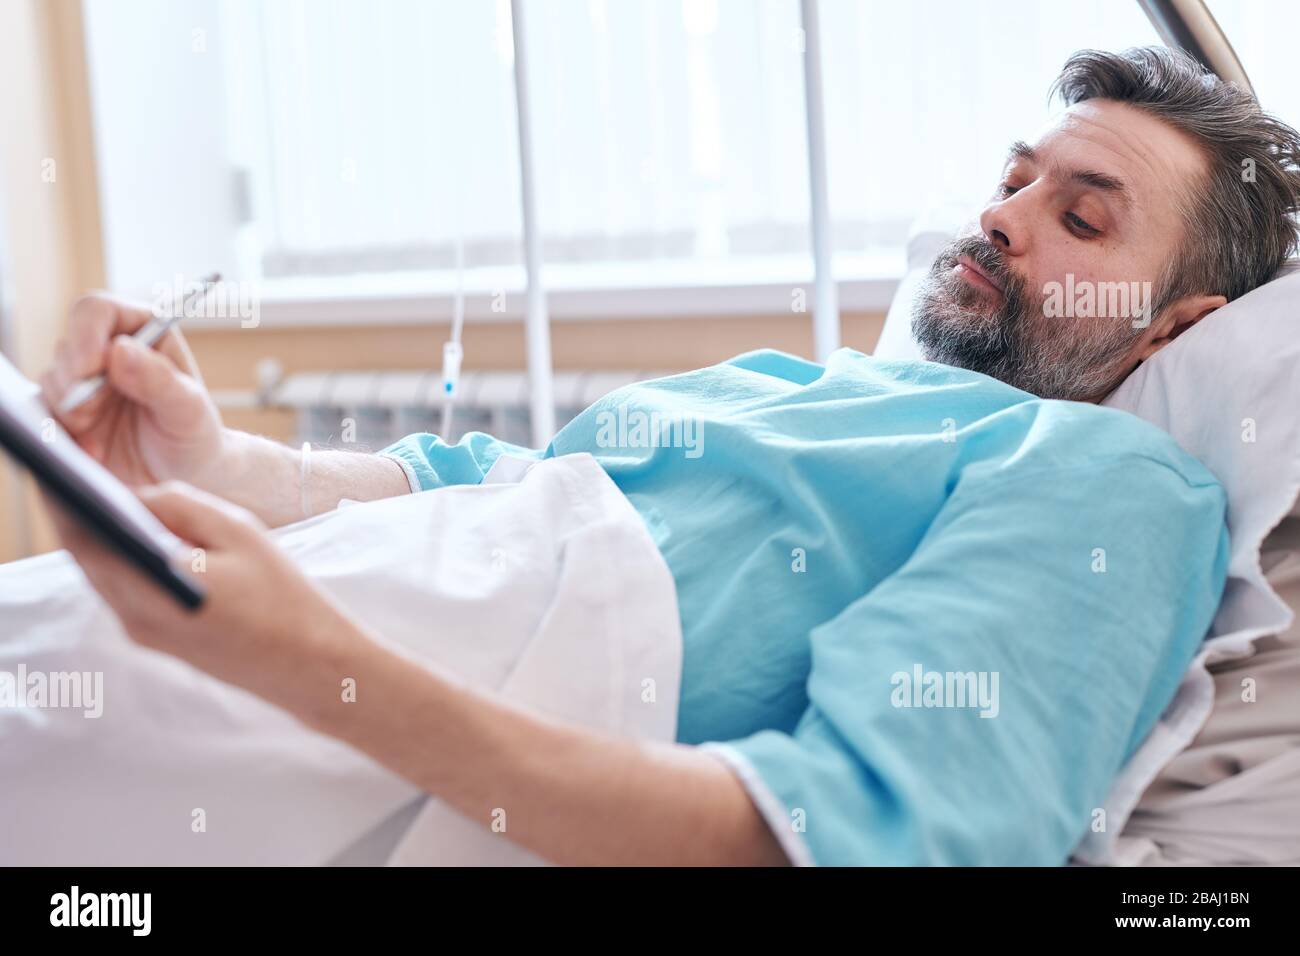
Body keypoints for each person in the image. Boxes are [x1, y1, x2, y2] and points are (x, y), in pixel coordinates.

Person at [36, 47, 1300, 865]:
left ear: (1177, 329)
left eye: (1080, 214)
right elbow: (494, 490)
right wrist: (221, 462)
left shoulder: (1116, 489)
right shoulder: (805, 386)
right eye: (1012, 181)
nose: (999, 217)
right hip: (301, 609)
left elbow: (841, 836)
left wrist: (311, 664)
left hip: (335, 698)